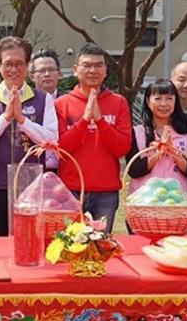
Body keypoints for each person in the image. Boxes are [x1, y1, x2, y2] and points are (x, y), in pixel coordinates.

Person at [0, 37, 57, 236]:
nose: (14, 69)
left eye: (19, 64)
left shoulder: (42, 98)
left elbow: (52, 140)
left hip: (32, 183)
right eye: (8, 64)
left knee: (29, 237)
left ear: (28, 65)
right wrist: (5, 117)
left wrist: (22, 121)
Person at [56, 43, 132, 232]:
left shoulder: (119, 102)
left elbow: (123, 147)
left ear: (106, 70)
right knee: (69, 247)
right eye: (87, 65)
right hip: (71, 191)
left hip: (106, 192)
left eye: (99, 65)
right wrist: (84, 121)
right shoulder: (61, 104)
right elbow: (62, 147)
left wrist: (100, 121)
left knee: (100, 251)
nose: (93, 70)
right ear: (76, 70)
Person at [126, 80, 187, 196]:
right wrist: (159, 152)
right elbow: (134, 171)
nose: (164, 104)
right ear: (147, 101)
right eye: (158, 98)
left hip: (177, 201)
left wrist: (172, 151)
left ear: (176, 101)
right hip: (143, 202)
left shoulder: (186, 133)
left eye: (169, 98)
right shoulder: (137, 133)